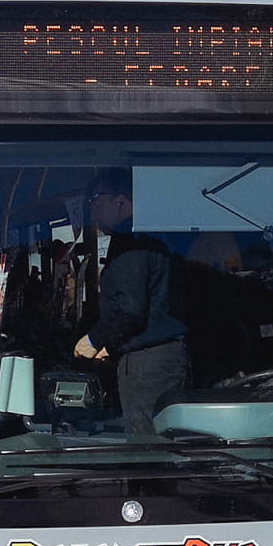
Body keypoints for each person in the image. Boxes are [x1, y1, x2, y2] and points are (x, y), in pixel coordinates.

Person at [73, 171, 189, 433]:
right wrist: (112, 347)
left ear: (121, 202)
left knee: (147, 441)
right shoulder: (156, 235)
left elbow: (130, 310)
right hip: (157, 355)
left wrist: (92, 340)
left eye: (96, 200)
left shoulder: (130, 242)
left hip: (148, 363)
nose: (92, 210)